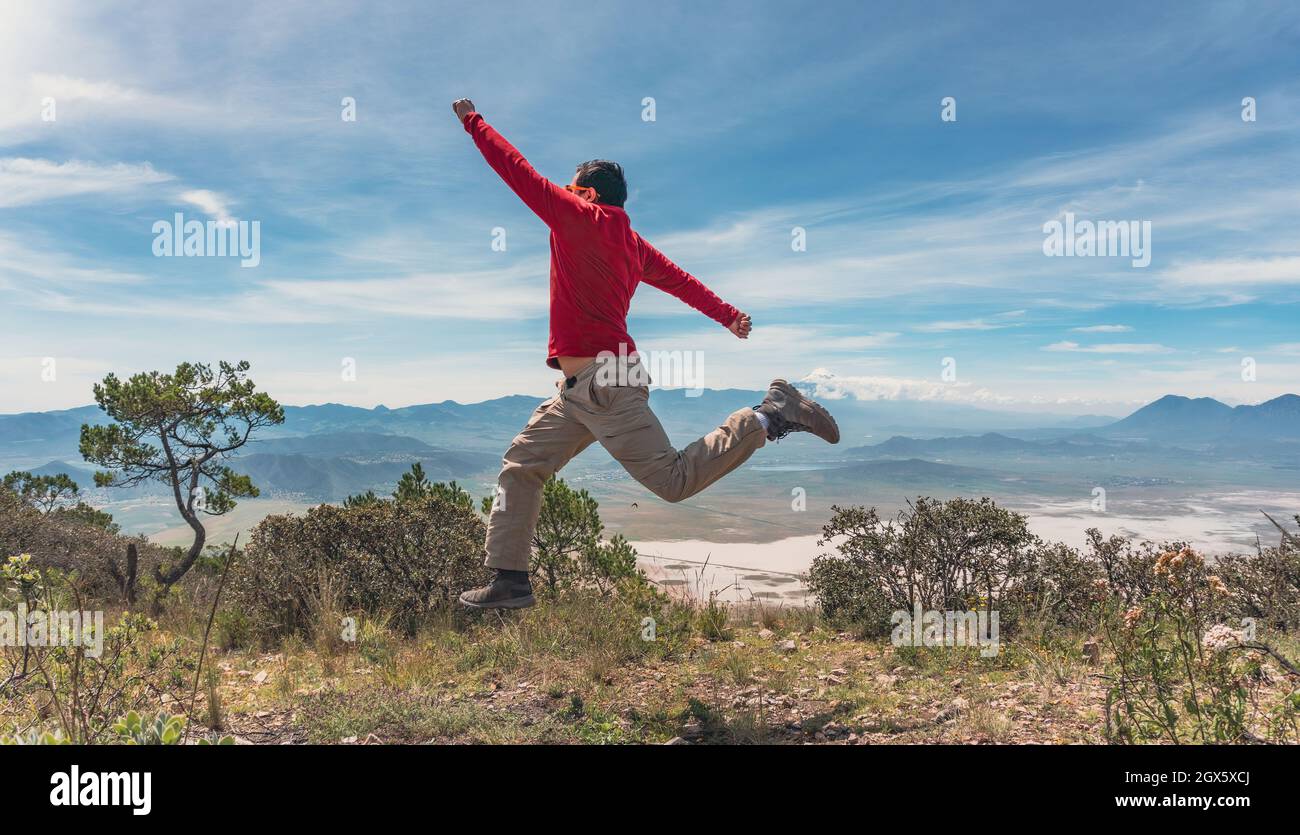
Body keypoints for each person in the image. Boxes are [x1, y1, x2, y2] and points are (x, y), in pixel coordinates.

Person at [451, 98, 839, 610]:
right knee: (520, 467)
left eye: (570, 188)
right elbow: (681, 281)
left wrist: (473, 121)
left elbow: (515, 169)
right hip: (580, 391)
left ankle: (769, 415)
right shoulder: (632, 243)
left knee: (673, 481)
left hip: (604, 383)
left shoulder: (576, 215)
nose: (562, 194)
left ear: (586, 194)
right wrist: (727, 315)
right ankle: (510, 580)